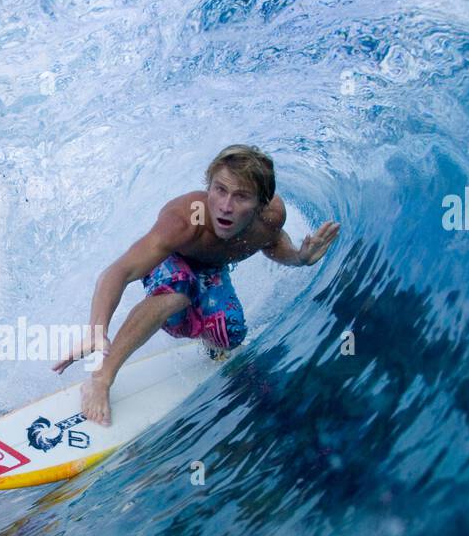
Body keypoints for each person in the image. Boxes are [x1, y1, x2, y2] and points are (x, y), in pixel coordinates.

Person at [51, 144, 339, 426]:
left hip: (209, 272)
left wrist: (300, 258)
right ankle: (101, 378)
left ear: (261, 204)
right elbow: (119, 271)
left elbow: (274, 244)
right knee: (178, 293)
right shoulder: (184, 220)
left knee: (231, 334)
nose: (226, 206)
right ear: (208, 186)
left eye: (241, 197)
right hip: (170, 264)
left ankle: (209, 339)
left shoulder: (271, 216)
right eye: (220, 190)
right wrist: (96, 330)